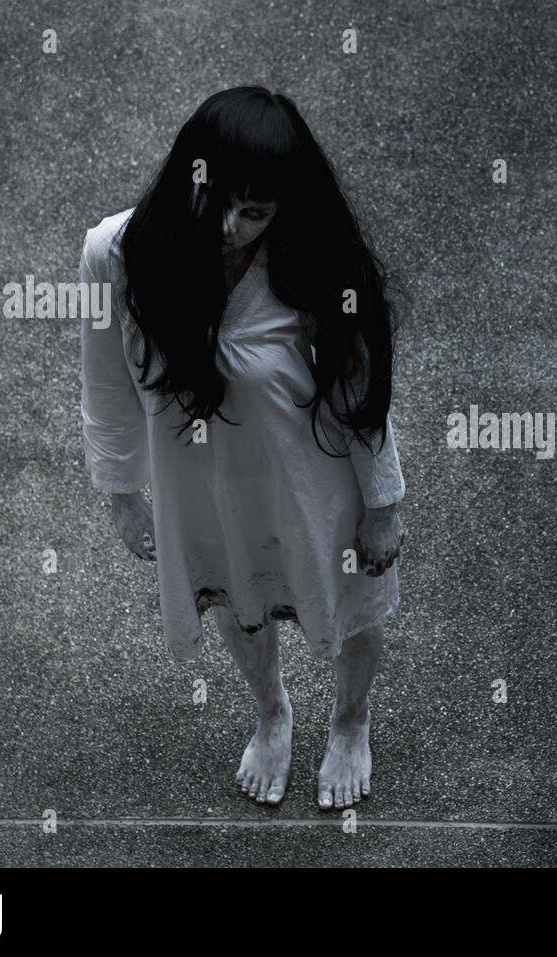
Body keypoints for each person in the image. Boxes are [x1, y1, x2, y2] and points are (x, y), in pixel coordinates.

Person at [78, 87, 407, 810]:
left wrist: (382, 502)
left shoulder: (318, 268)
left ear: (284, 207)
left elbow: (360, 392)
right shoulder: (116, 253)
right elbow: (106, 380)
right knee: (237, 594)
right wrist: (123, 491)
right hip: (205, 482)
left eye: (255, 211)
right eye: (217, 200)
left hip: (314, 479)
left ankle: (351, 721)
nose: (230, 227)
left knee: (352, 605)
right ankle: (271, 712)